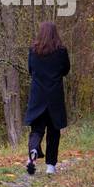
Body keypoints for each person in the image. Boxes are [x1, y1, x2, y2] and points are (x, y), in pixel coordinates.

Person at [23, 20, 70, 175]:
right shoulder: (61, 51)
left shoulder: (33, 51)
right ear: (55, 33)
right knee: (54, 131)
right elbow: (66, 70)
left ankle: (34, 152)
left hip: (38, 96)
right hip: (54, 96)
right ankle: (51, 166)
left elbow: (31, 70)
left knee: (36, 130)